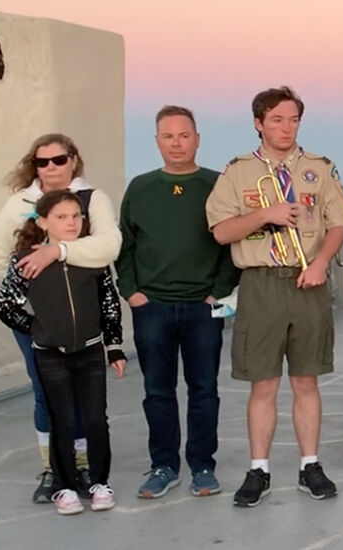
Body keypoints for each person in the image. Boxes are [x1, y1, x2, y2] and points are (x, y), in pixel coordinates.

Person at [205, 86, 343, 507]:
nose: (286, 128)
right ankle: (259, 470)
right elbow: (220, 232)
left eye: (292, 120)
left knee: (306, 379)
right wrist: (264, 215)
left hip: (308, 280)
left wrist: (322, 262)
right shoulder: (237, 172)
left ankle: (310, 465)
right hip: (262, 283)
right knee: (263, 383)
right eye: (276, 120)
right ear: (258, 123)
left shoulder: (319, 168)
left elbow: (339, 222)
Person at [0, 133, 121, 503]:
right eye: (42, 162)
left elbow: (109, 247)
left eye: (58, 160)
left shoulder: (93, 199)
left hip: (84, 322)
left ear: (73, 161)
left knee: (85, 400)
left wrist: (58, 251)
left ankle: (81, 466)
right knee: (48, 396)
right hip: (41, 325)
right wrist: (34, 306)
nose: (50, 168)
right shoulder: (19, 203)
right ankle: (54, 469)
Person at [117, 106, 241, 499]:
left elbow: (232, 241)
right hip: (151, 306)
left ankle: (203, 465)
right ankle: (164, 466)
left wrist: (218, 291)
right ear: (156, 141)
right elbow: (126, 245)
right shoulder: (140, 187)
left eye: (184, 135)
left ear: (197, 139)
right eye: (167, 136)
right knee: (157, 391)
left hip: (202, 308)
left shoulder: (216, 184)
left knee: (204, 390)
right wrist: (131, 292)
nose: (176, 143)